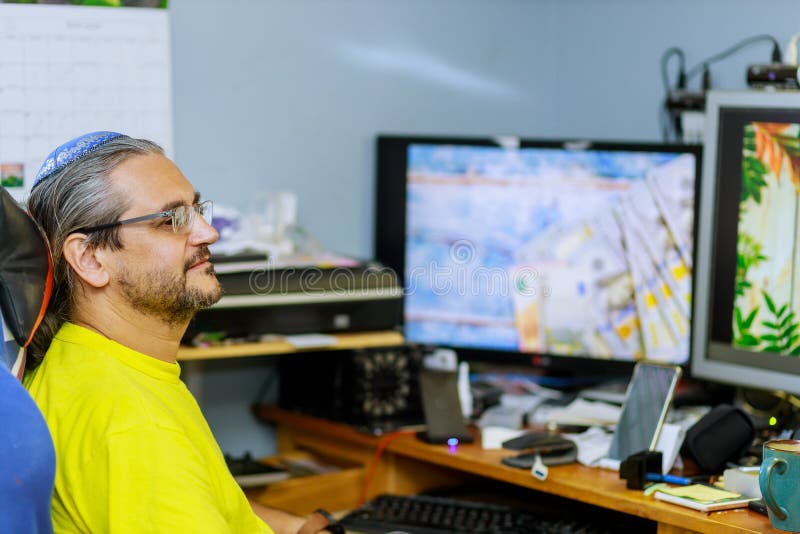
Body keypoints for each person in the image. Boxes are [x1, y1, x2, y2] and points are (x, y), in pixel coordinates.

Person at [23, 132, 324, 533]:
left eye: (196, 209)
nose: (207, 233)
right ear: (90, 258)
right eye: (171, 220)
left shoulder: (80, 360)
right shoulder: (136, 425)